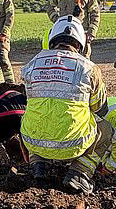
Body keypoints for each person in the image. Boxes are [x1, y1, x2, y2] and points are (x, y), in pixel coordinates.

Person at [20, 15, 110, 194]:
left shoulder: (32, 64)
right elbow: (100, 108)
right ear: (80, 44)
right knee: (106, 129)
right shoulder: (89, 68)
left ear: (53, 39)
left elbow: (29, 99)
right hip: (73, 144)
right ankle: (80, 174)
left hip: (33, 141)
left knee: (31, 116)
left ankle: (39, 165)